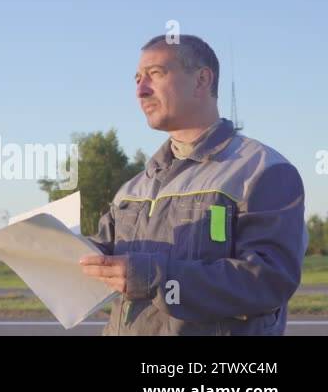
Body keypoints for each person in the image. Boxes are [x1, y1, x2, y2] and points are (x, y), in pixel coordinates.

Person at [79, 34, 308, 335]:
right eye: (136, 79)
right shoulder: (132, 188)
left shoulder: (262, 171)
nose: (140, 90)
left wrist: (154, 277)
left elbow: (267, 282)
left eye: (155, 74)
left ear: (202, 80)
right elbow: (101, 264)